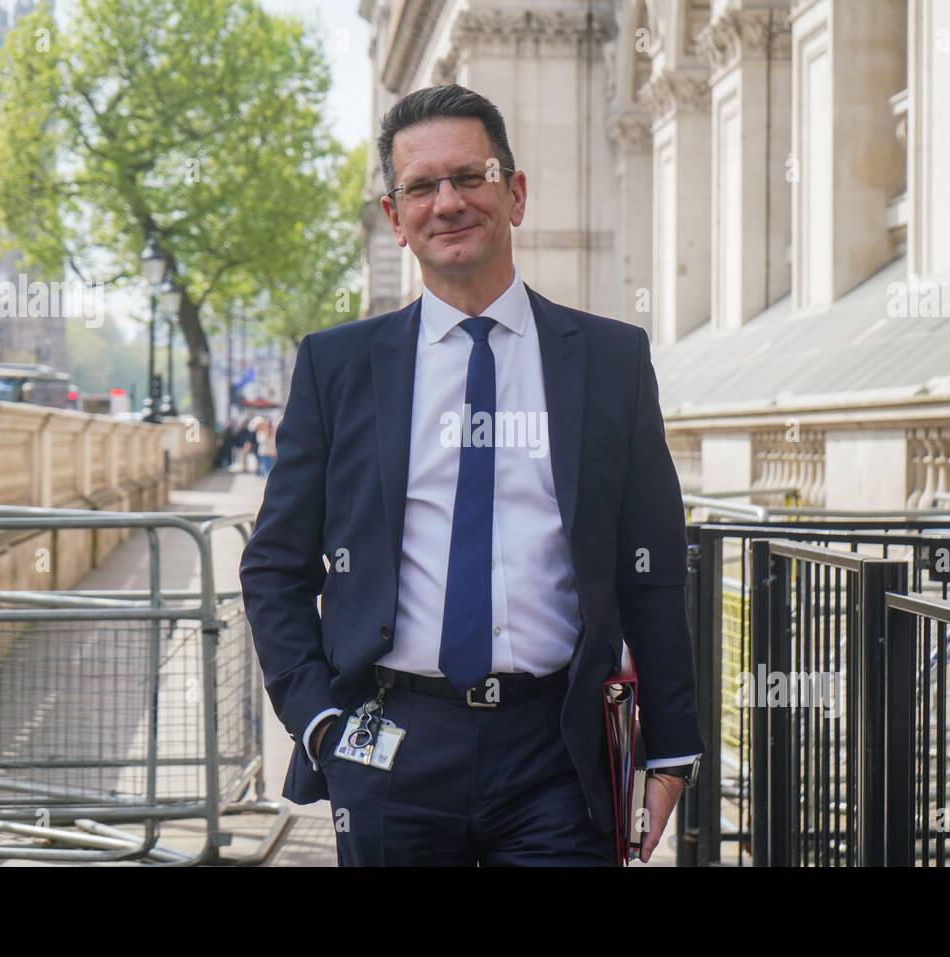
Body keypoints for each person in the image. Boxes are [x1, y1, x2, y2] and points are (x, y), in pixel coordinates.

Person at [239, 84, 703, 867]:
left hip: (560, 753)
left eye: (470, 177)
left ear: (514, 193)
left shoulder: (611, 361)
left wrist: (672, 750)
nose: (447, 202)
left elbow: (649, 567)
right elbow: (274, 565)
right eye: (421, 186)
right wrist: (321, 723)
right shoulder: (337, 367)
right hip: (390, 747)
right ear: (396, 219)